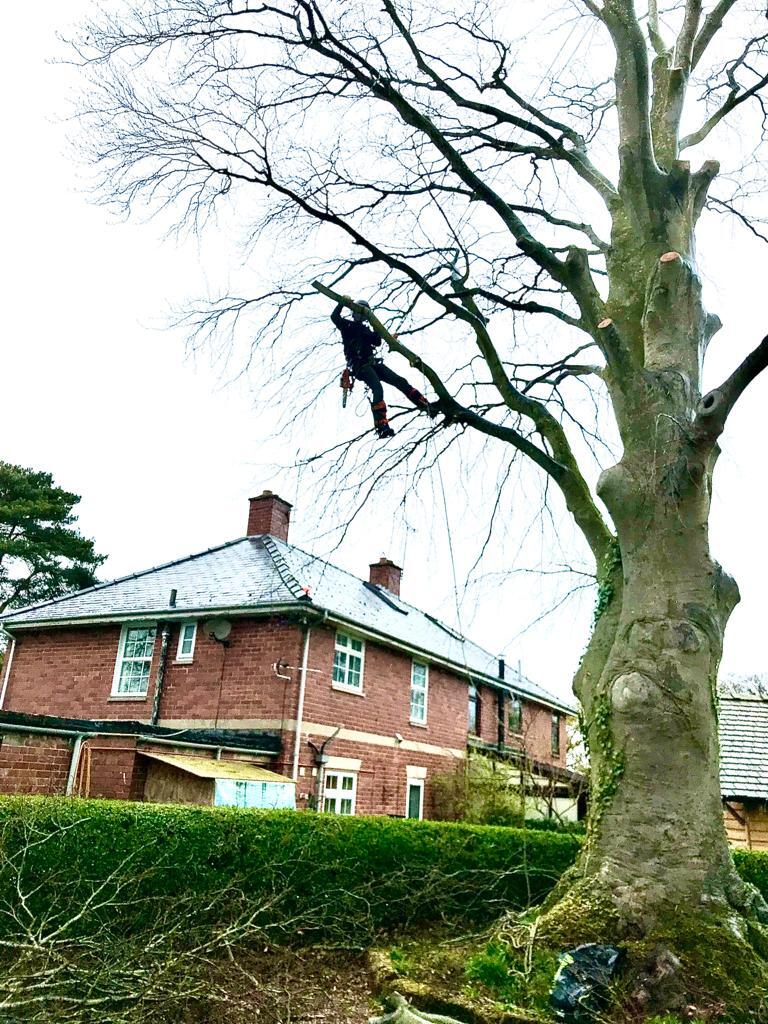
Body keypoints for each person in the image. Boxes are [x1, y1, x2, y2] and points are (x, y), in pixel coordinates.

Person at [331, 297, 439, 438]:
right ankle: (381, 425)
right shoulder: (347, 326)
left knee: (400, 381)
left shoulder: (365, 329)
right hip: (360, 366)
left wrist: (382, 331)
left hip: (373, 363)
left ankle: (425, 405)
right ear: (354, 313)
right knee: (377, 388)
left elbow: (377, 341)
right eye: (359, 312)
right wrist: (342, 302)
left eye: (363, 313)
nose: (360, 315)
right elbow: (334, 317)